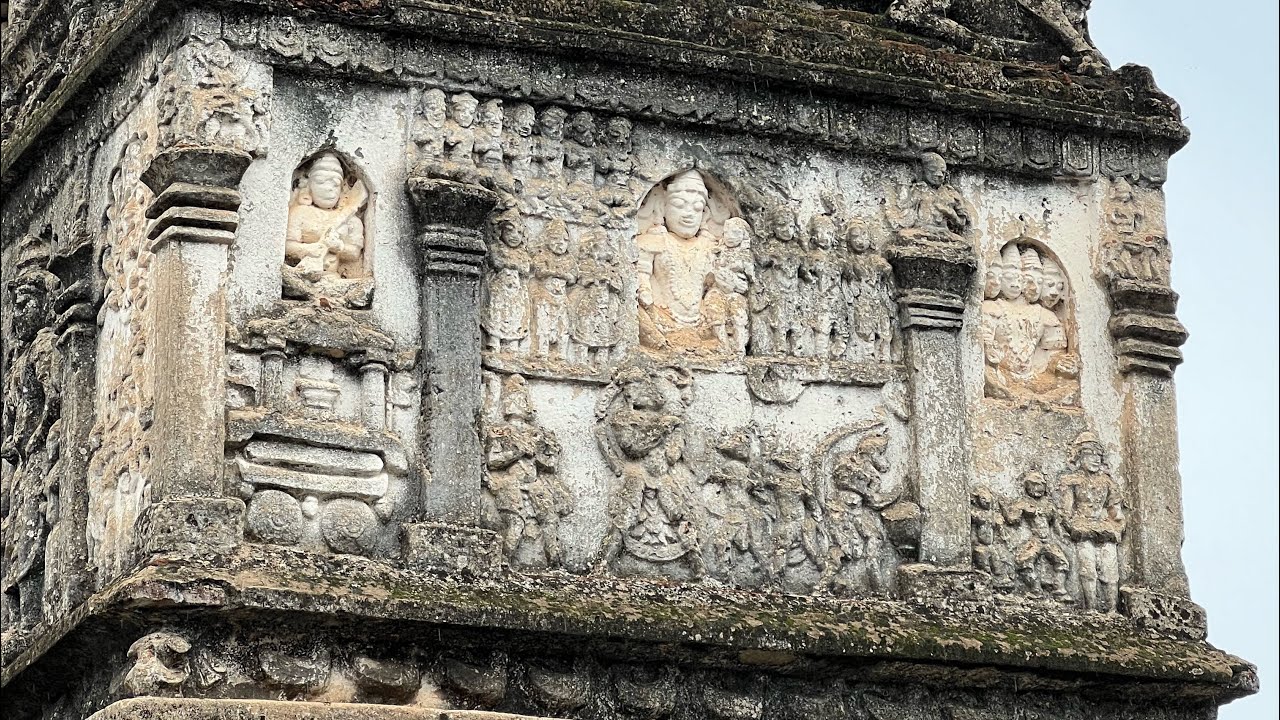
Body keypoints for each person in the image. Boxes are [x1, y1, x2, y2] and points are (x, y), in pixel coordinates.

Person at [1059, 432, 1125, 611]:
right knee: (1088, 569)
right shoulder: (1072, 481)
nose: (1095, 459)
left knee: (1110, 571)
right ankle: (1091, 608)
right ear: (1079, 457)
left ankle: (1111, 610)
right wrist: (1073, 526)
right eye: (1090, 455)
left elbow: (1116, 512)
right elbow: (1066, 511)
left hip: (1104, 526)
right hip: (1082, 526)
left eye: (1098, 455)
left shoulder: (1107, 482)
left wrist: (1116, 526)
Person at [285, 153, 367, 281]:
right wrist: (308, 249)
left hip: (333, 277)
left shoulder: (351, 220)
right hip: (303, 273)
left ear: (342, 189)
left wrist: (339, 247)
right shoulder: (299, 213)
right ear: (308, 185)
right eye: (321, 182)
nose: (329, 189)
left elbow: (354, 253)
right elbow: (288, 246)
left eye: (335, 184)